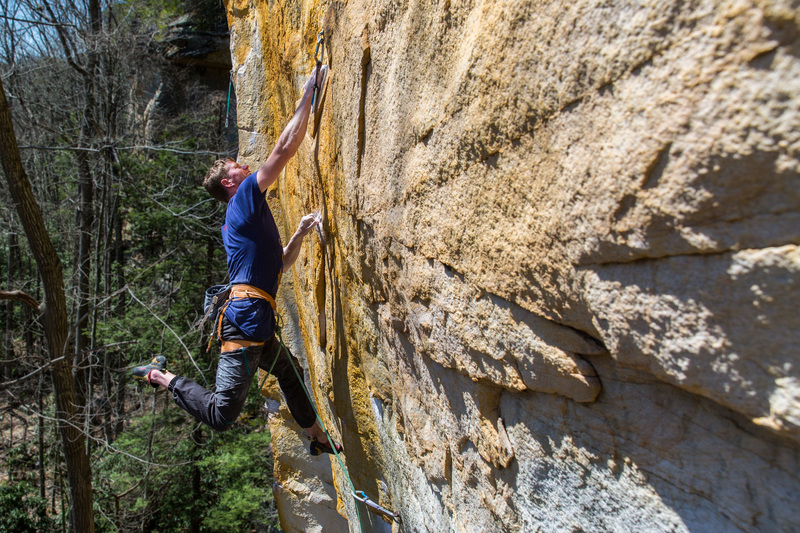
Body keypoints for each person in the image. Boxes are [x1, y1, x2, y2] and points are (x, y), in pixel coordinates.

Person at [132, 65, 340, 456]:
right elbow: (282, 150)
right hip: (245, 319)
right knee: (221, 414)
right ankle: (160, 375)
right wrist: (309, 93)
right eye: (238, 167)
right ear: (230, 183)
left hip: (254, 313)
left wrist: (298, 233)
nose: (246, 167)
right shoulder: (242, 198)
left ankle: (316, 436)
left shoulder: (241, 217)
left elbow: (278, 262)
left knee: (289, 373)